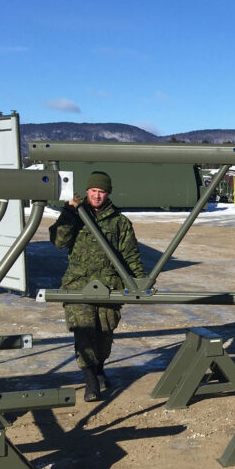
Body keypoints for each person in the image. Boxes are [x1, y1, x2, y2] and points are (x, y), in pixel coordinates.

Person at [49, 171, 146, 402]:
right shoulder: (76, 214)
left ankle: (99, 368)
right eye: (93, 191)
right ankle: (90, 380)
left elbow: (130, 255)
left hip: (108, 286)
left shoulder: (120, 222)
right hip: (78, 285)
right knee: (83, 332)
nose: (97, 195)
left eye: (101, 192)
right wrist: (69, 212)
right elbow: (59, 242)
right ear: (87, 191)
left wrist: (141, 282)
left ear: (108, 193)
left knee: (104, 335)